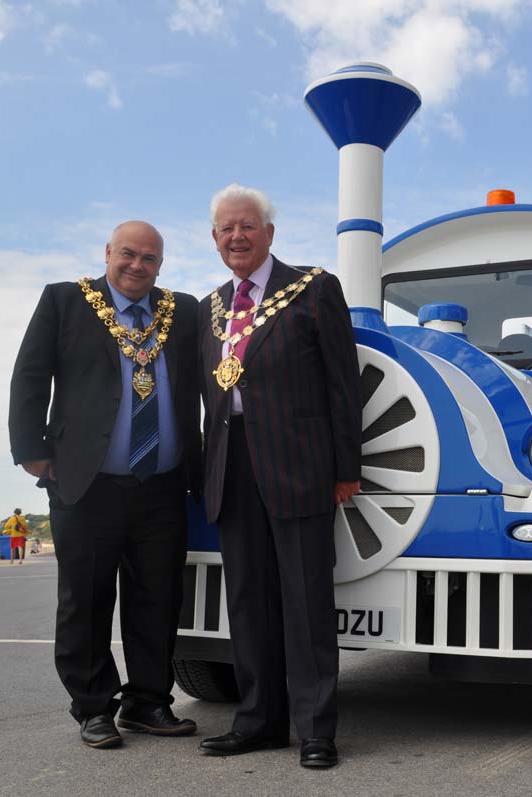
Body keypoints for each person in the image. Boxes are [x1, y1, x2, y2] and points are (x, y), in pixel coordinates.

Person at [9, 220, 203, 749]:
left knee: (158, 599)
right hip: (86, 483)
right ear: (108, 253)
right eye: (128, 255)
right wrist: (32, 452)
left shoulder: (182, 310)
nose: (137, 266)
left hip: (162, 484)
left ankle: (148, 702)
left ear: (161, 265)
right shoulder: (65, 300)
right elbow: (30, 375)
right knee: (87, 600)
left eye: (149, 259)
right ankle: (94, 706)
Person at [197, 185, 361, 769]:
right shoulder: (209, 307)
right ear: (214, 239)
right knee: (247, 600)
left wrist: (346, 468)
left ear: (269, 232)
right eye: (225, 229)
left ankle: (316, 730)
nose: (236, 237)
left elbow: (344, 383)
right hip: (232, 465)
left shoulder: (314, 288)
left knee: (305, 599)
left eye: (246, 226)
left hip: (300, 465)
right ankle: (258, 721)